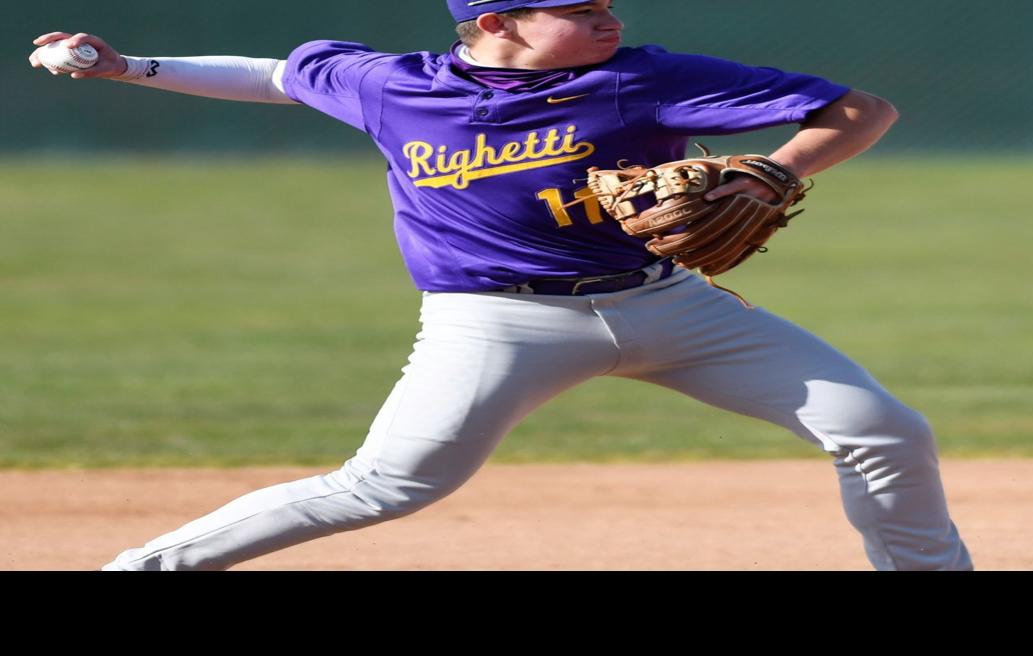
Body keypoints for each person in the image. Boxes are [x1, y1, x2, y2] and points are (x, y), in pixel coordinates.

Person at [31, 0, 973, 571]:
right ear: (496, 23)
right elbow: (277, 75)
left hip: (665, 302)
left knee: (884, 430)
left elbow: (858, 109)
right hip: (493, 324)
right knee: (385, 487)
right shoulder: (388, 85)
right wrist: (130, 68)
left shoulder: (643, 78)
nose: (606, 17)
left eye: (605, 1)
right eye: (575, 7)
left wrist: (774, 171)